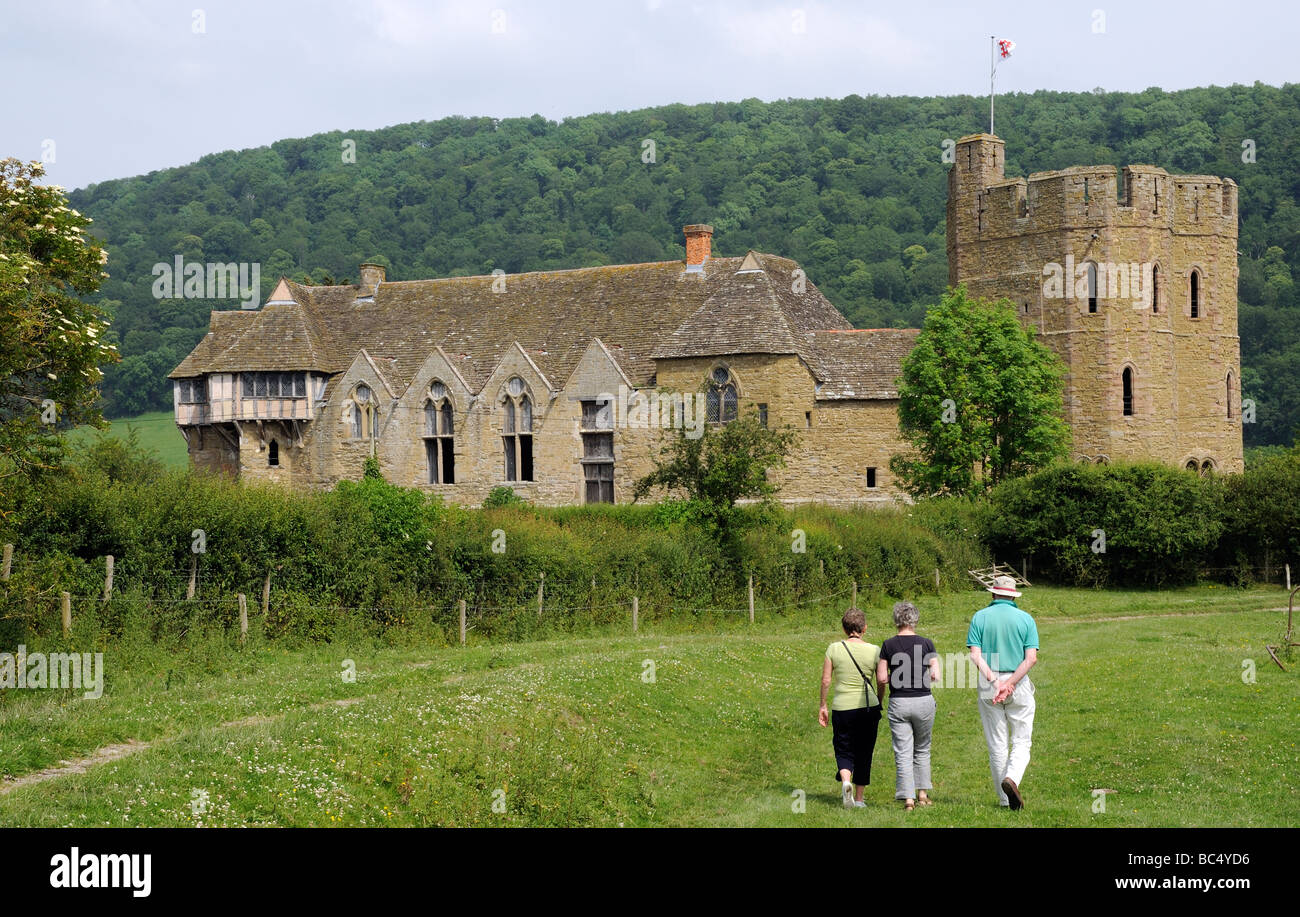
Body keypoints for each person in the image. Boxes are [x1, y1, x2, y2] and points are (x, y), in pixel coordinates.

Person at [967, 574, 1039, 810]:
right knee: (1021, 739)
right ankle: (1013, 779)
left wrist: (995, 681)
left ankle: (1003, 798)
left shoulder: (980, 617)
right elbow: (1031, 658)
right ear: (1013, 595)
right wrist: (1011, 683)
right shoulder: (1026, 619)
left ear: (993, 593)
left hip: (990, 682)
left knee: (997, 743)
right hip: (1018, 682)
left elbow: (975, 654)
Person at [819, 607, 886, 809]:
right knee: (865, 750)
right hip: (868, 706)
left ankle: (846, 781)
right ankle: (859, 799)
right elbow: (882, 682)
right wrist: (880, 700)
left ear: (844, 628)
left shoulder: (833, 649)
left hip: (842, 707)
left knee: (843, 747)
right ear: (865, 628)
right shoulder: (875, 650)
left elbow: (826, 680)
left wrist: (823, 704)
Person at [878, 600, 940, 812]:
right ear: (915, 619)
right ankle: (922, 794)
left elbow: (881, 678)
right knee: (922, 749)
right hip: (923, 700)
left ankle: (908, 799)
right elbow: (936, 674)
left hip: (899, 702)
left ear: (896, 620)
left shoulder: (888, 645)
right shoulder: (926, 643)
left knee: (903, 751)